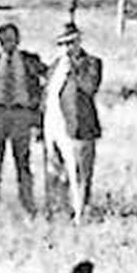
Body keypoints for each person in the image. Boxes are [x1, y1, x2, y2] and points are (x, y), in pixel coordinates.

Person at [0, 22, 46, 222]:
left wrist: (35, 105)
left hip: (20, 114)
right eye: (3, 40)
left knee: (23, 162)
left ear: (18, 39)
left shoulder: (29, 60)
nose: (7, 44)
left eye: (10, 39)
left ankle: (28, 206)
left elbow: (45, 77)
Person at [43, 22, 103, 224]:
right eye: (62, 44)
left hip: (77, 128)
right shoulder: (54, 66)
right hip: (53, 126)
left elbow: (89, 88)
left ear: (79, 41)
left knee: (79, 174)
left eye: (70, 43)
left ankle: (81, 214)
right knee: (55, 173)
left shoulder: (91, 63)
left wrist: (74, 70)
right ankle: (59, 212)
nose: (66, 48)